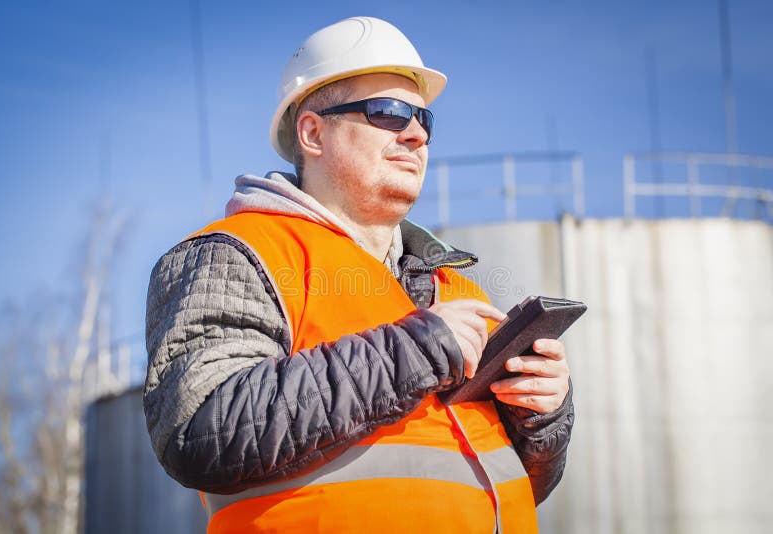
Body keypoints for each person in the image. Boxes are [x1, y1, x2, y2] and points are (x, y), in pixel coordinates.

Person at [144, 16, 574, 534]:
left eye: (424, 120)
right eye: (388, 113)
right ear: (312, 132)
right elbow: (203, 432)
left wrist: (540, 418)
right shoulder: (236, 254)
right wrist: (413, 352)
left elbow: (508, 483)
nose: (416, 134)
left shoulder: (454, 287)